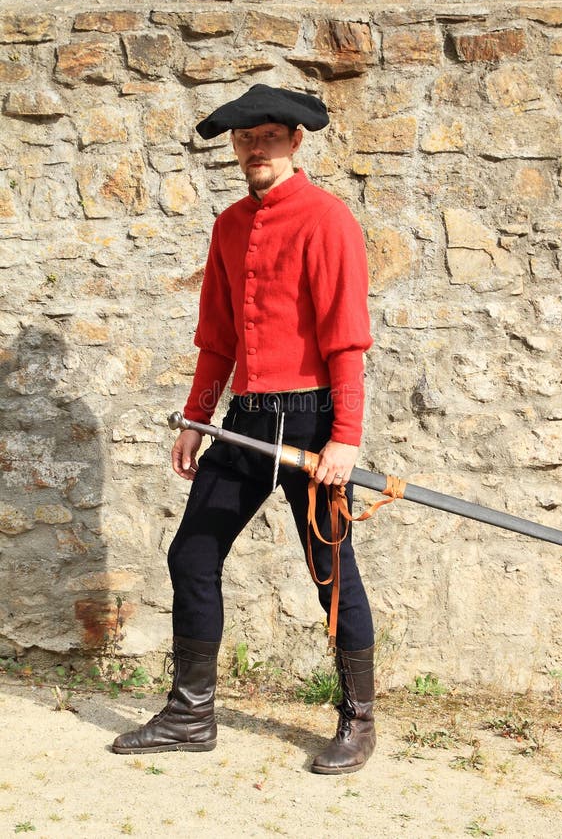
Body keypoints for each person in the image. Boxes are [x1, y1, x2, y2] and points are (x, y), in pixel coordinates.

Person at [112, 84, 376, 774]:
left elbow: (345, 340)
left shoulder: (327, 219)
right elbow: (219, 335)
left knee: (331, 572)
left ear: (294, 140)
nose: (253, 148)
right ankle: (190, 715)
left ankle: (357, 720)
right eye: (242, 138)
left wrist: (344, 439)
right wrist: (197, 418)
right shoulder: (229, 224)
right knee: (191, 556)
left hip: (311, 419)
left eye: (266, 136)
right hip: (247, 421)